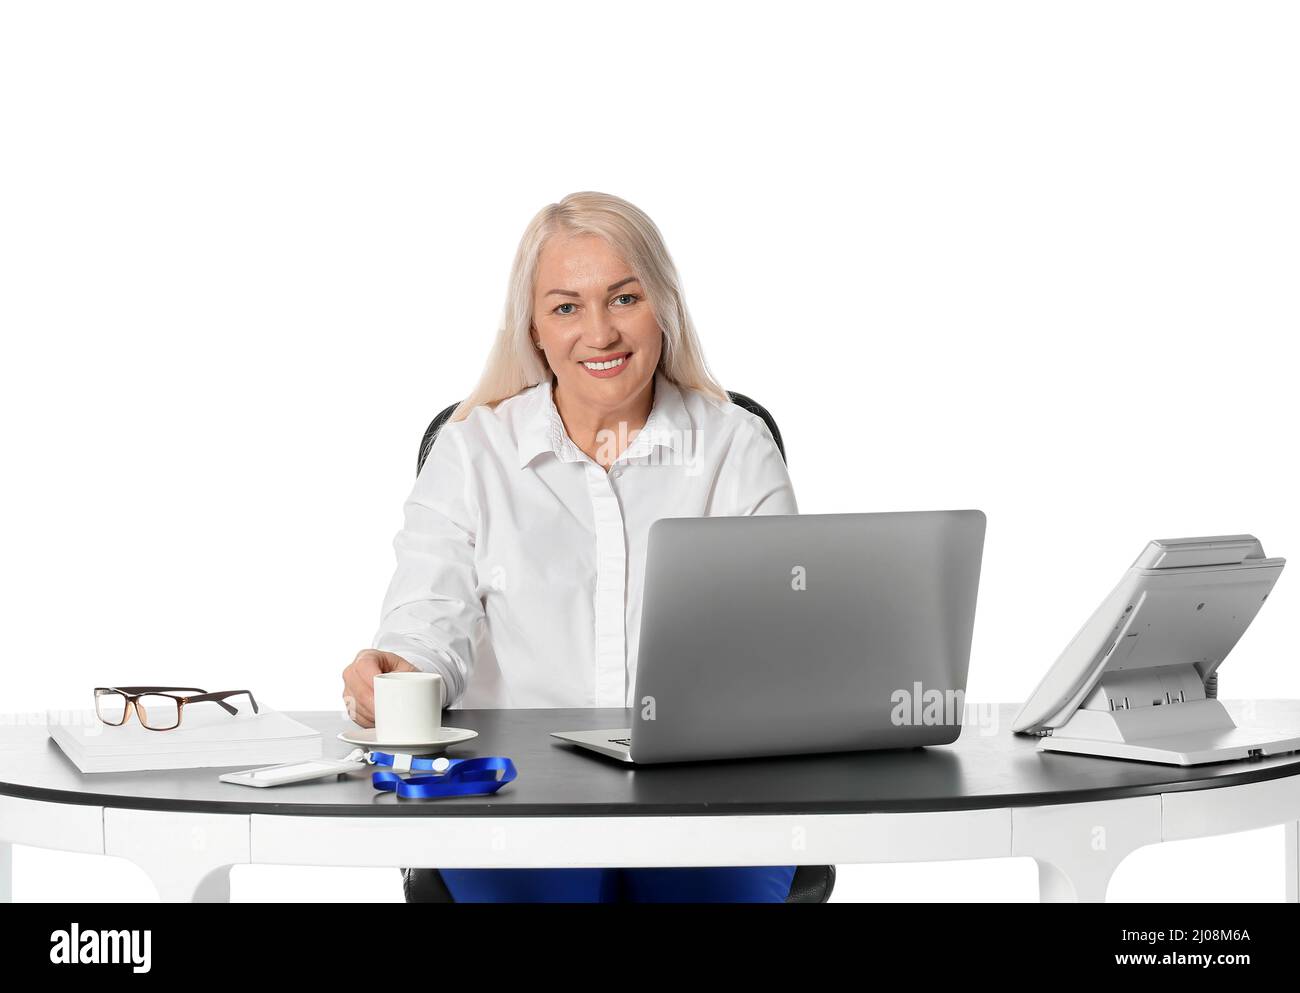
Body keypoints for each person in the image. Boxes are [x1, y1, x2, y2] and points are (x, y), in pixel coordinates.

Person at [341, 191, 797, 902]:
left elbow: (786, 638)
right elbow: (430, 619)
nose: (600, 333)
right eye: (566, 307)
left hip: (706, 790)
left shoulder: (735, 446)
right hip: (513, 792)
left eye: (624, 298)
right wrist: (400, 668)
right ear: (535, 328)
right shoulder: (471, 452)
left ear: (665, 306)